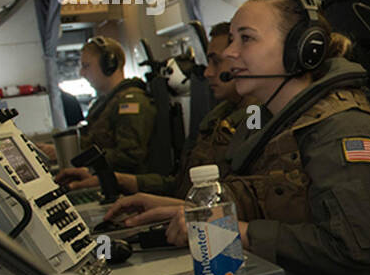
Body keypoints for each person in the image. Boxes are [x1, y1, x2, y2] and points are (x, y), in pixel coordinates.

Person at [104, 0, 370, 275]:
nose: (229, 53)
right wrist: (189, 209)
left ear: (301, 50)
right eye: (231, 40)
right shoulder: (270, 121)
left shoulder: (344, 130)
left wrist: (239, 233)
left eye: (246, 39)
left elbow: (353, 249)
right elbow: (278, 191)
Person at [57, 22, 246, 197]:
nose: (207, 73)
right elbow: (180, 186)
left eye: (216, 62)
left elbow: (130, 156)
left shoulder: (254, 118)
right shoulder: (218, 116)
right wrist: (118, 180)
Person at [51, 36, 156, 173]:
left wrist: (79, 156)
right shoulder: (103, 102)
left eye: (86, 66)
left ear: (109, 65)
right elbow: (90, 141)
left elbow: (130, 157)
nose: (82, 73)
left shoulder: (130, 102)